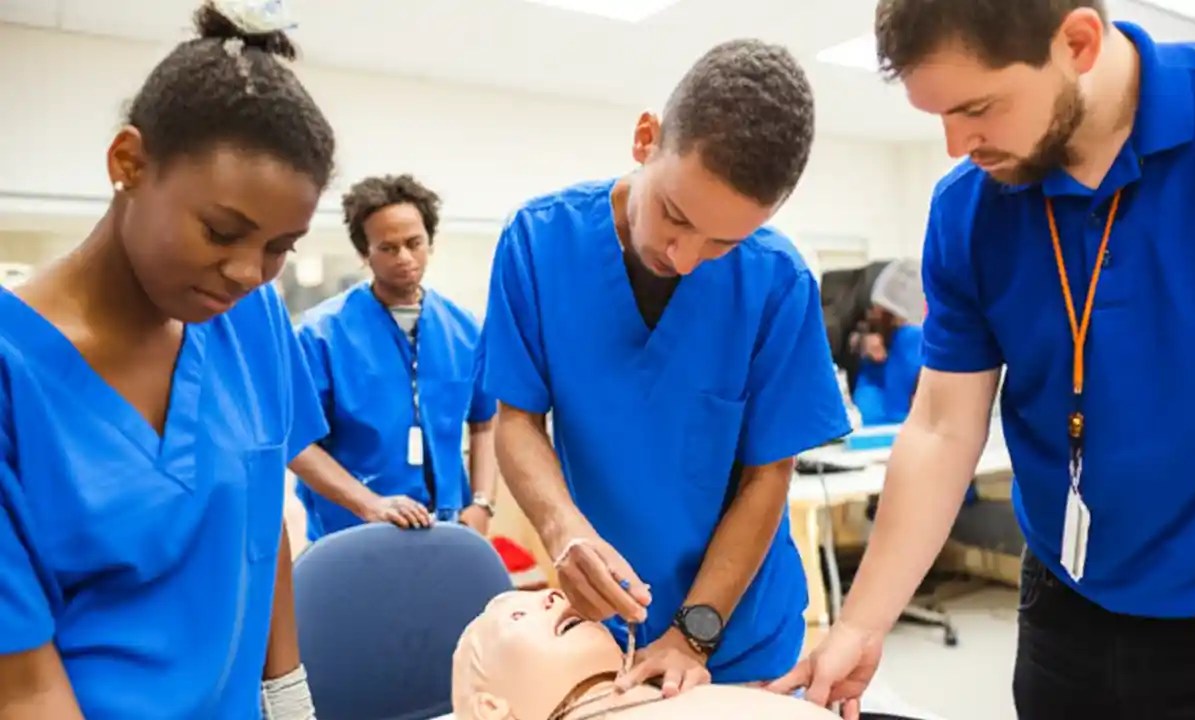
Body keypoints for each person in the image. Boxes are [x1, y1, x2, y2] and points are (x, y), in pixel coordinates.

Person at [773, 2, 1195, 718]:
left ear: (1076, 42)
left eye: (977, 107)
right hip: (1065, 611)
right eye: (938, 114)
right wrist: (858, 623)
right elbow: (943, 428)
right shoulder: (969, 210)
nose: (955, 144)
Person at [481, 38, 852, 692]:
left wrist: (693, 634)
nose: (685, 257)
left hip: (738, 632)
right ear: (646, 138)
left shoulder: (776, 281)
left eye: (723, 241)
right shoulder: (539, 243)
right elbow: (516, 420)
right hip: (602, 632)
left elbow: (768, 478)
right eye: (674, 216)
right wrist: (562, 528)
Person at [0, 2, 335, 717]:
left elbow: (259, 519)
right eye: (222, 231)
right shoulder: (12, 375)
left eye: (280, 247)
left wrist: (289, 695)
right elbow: (21, 684)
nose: (249, 271)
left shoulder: (249, 318)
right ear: (129, 163)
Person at [290, 174, 498, 539]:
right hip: (351, 533)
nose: (404, 258)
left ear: (429, 243)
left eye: (413, 243)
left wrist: (481, 504)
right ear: (363, 253)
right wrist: (367, 503)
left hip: (448, 531)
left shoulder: (465, 330)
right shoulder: (322, 334)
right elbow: (296, 442)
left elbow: (485, 423)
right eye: (388, 247)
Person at [450, 589, 928, 720]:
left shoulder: (677, 691)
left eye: (538, 595)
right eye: (519, 616)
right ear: (494, 712)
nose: (551, 597)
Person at [849, 260, 925, 427]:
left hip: (884, 432)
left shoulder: (908, 337)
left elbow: (897, 409)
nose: (872, 312)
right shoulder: (884, 337)